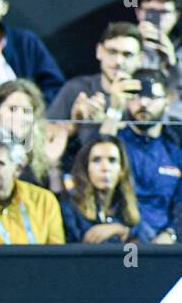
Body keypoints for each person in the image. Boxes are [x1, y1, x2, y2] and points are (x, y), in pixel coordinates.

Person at [100, 68, 181, 243]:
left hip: (166, 245)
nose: (143, 103)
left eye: (152, 97)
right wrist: (114, 108)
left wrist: (172, 233)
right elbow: (97, 155)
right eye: (135, 96)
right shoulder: (116, 142)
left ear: (167, 101)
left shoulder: (175, 149)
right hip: (119, 240)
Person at [47, 22, 142, 154]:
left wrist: (108, 116)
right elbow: (45, 134)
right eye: (112, 52)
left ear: (140, 59)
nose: (119, 61)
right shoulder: (76, 89)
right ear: (99, 51)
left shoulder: (145, 98)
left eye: (127, 55)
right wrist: (75, 123)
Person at [59, 137, 155, 244]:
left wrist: (120, 230)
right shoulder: (70, 208)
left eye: (112, 160)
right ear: (86, 168)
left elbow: (147, 240)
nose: (105, 168)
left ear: (122, 170)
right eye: (97, 160)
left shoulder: (130, 206)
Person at [130, 0, 181, 121]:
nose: (157, 19)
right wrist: (135, 47)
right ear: (138, 12)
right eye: (151, 12)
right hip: (133, 117)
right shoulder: (124, 46)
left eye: (164, 12)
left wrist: (172, 63)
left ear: (176, 16)